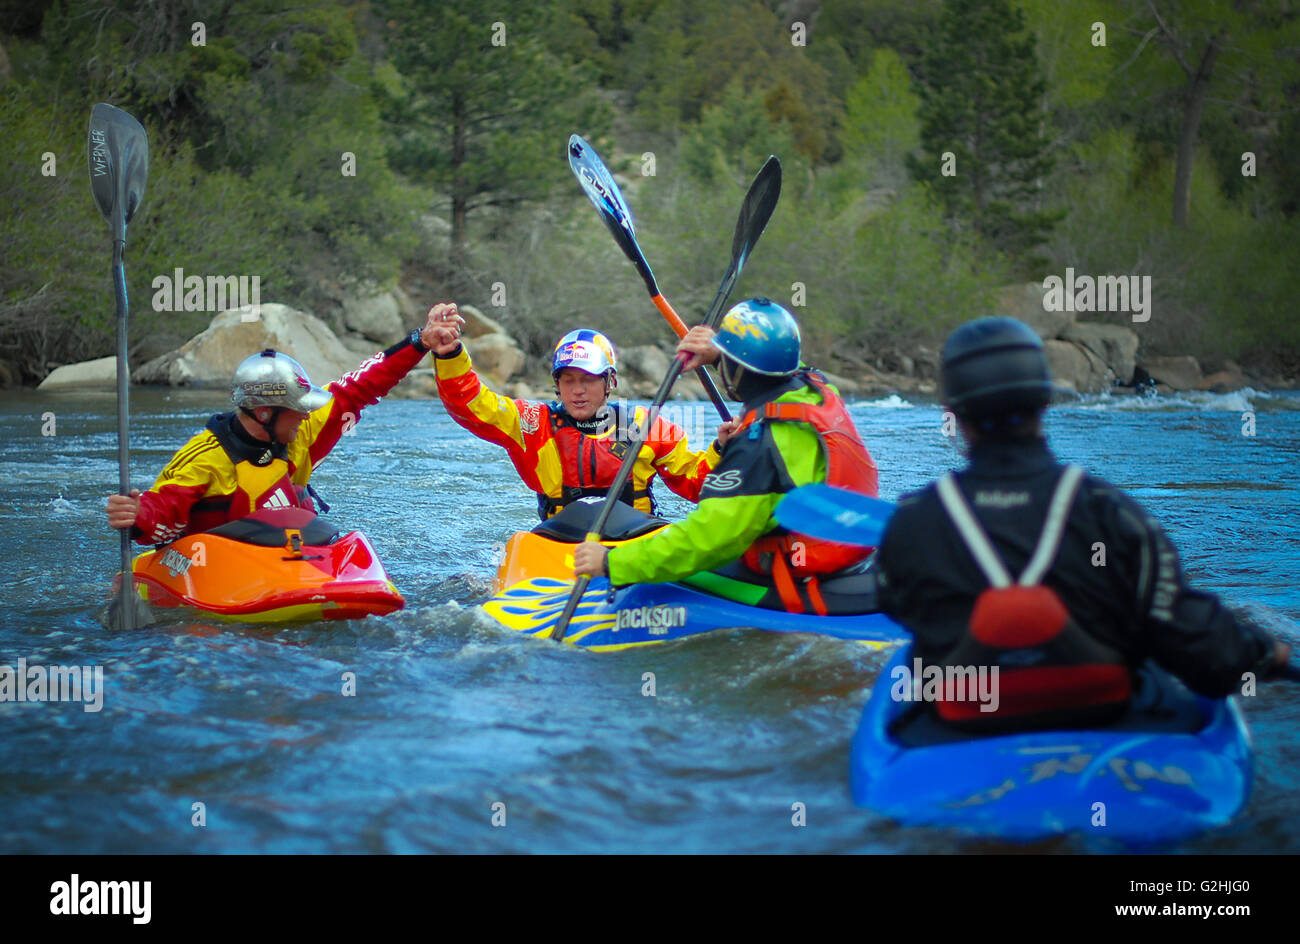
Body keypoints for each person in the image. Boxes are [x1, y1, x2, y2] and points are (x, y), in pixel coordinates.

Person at [873, 316, 1291, 732]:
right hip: (1100, 718)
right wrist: (1261, 652)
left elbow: (898, 606)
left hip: (963, 725)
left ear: (952, 412)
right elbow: (1197, 645)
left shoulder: (912, 521)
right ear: (1044, 401)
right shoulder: (1112, 513)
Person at [573, 298, 880, 614]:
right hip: (849, 546)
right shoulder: (817, 390)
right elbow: (779, 364)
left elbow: (709, 540)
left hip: (797, 570)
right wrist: (720, 353)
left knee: (661, 574)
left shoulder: (757, 446)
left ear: (736, 368)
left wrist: (613, 562)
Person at [106, 307, 446, 543]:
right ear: (264, 414)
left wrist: (419, 342)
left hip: (284, 558)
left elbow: (358, 389)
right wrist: (138, 514)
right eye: (296, 409)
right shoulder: (205, 460)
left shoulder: (300, 433)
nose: (304, 416)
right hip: (218, 565)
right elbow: (164, 510)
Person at [428, 301, 722, 519]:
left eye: (588, 380)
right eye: (568, 380)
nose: (577, 390)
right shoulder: (532, 424)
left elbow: (700, 485)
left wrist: (723, 448)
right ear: (556, 384)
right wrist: (450, 354)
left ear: (610, 382)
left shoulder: (648, 428)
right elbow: (470, 406)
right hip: (559, 546)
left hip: (636, 543)